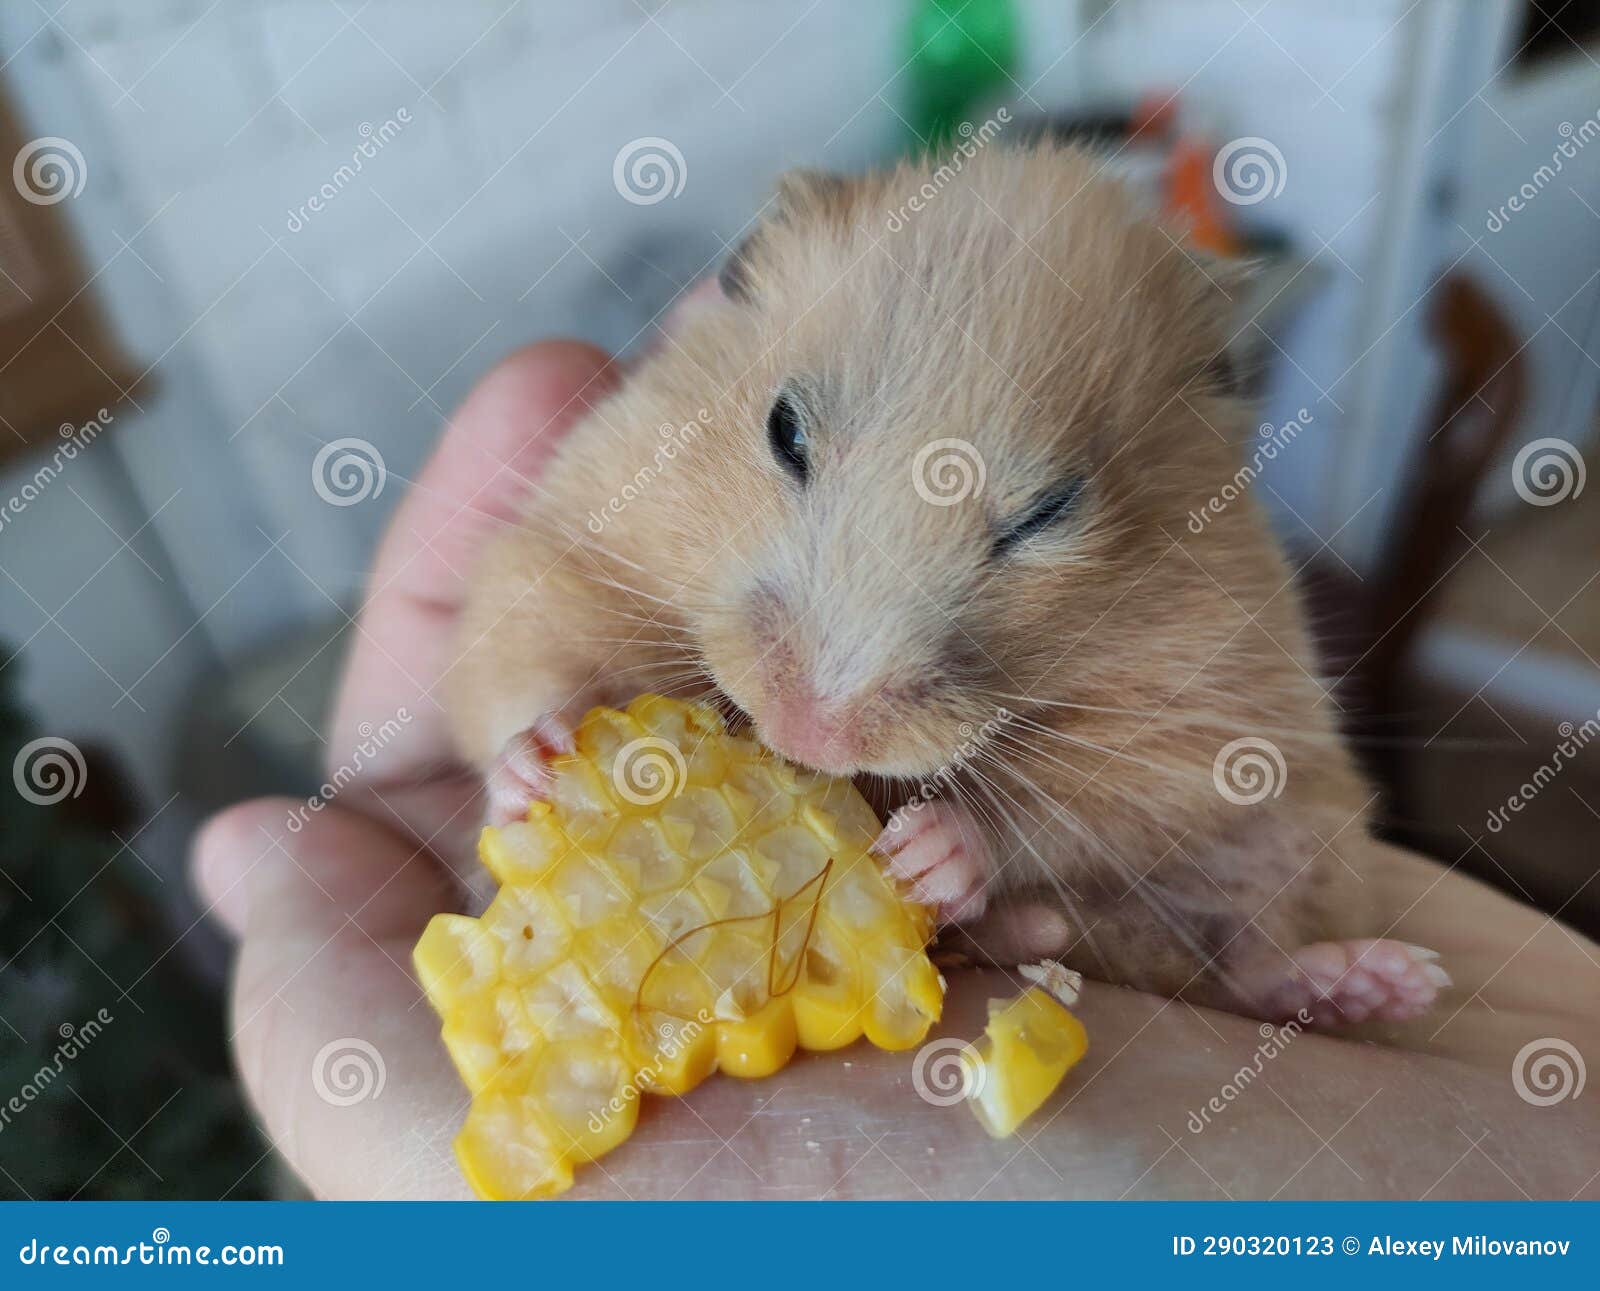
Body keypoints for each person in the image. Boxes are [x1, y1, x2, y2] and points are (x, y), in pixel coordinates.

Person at [192, 339, 1600, 1200]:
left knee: (1083, 892)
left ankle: (1260, 980)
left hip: (1048, 939)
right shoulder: (661, 552)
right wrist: (528, 738)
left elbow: (970, 888)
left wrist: (955, 862)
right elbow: (524, 654)